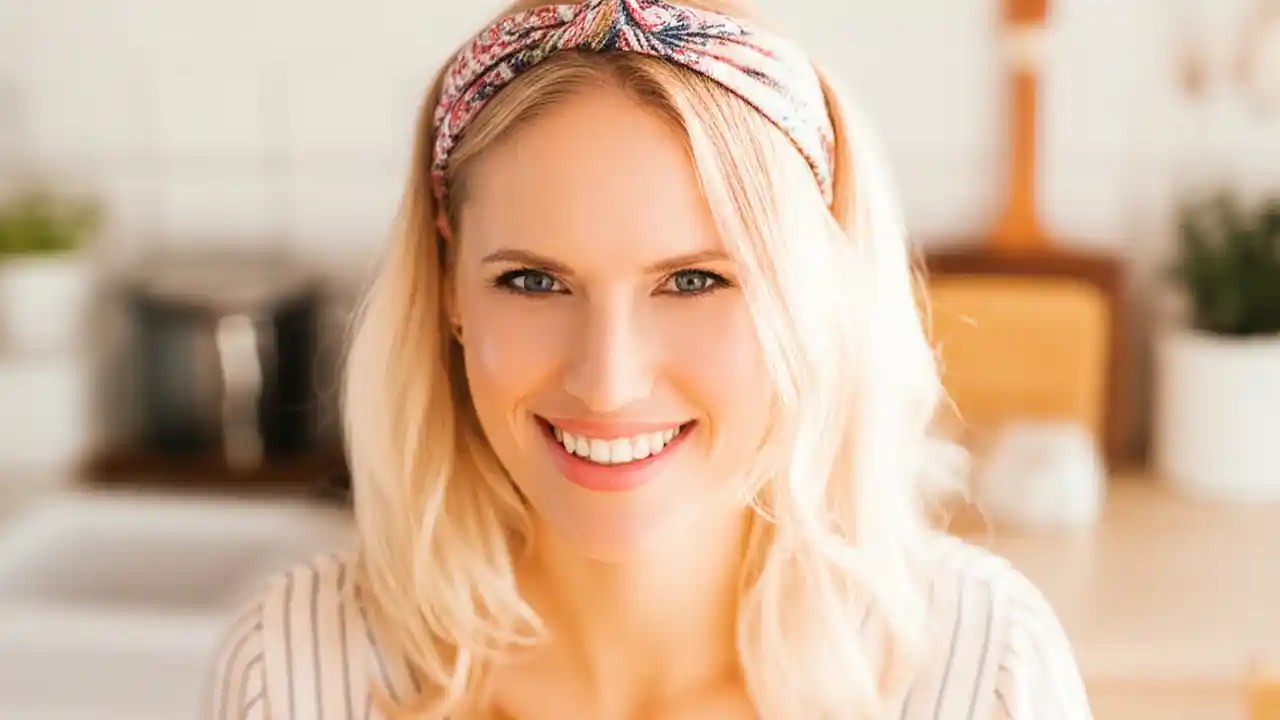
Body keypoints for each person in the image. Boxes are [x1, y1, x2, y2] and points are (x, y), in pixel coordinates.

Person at [208, 1, 1092, 718]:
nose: (609, 381)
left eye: (694, 281)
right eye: (532, 281)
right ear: (448, 288)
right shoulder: (288, 671)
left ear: (808, 292)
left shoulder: (985, 670)